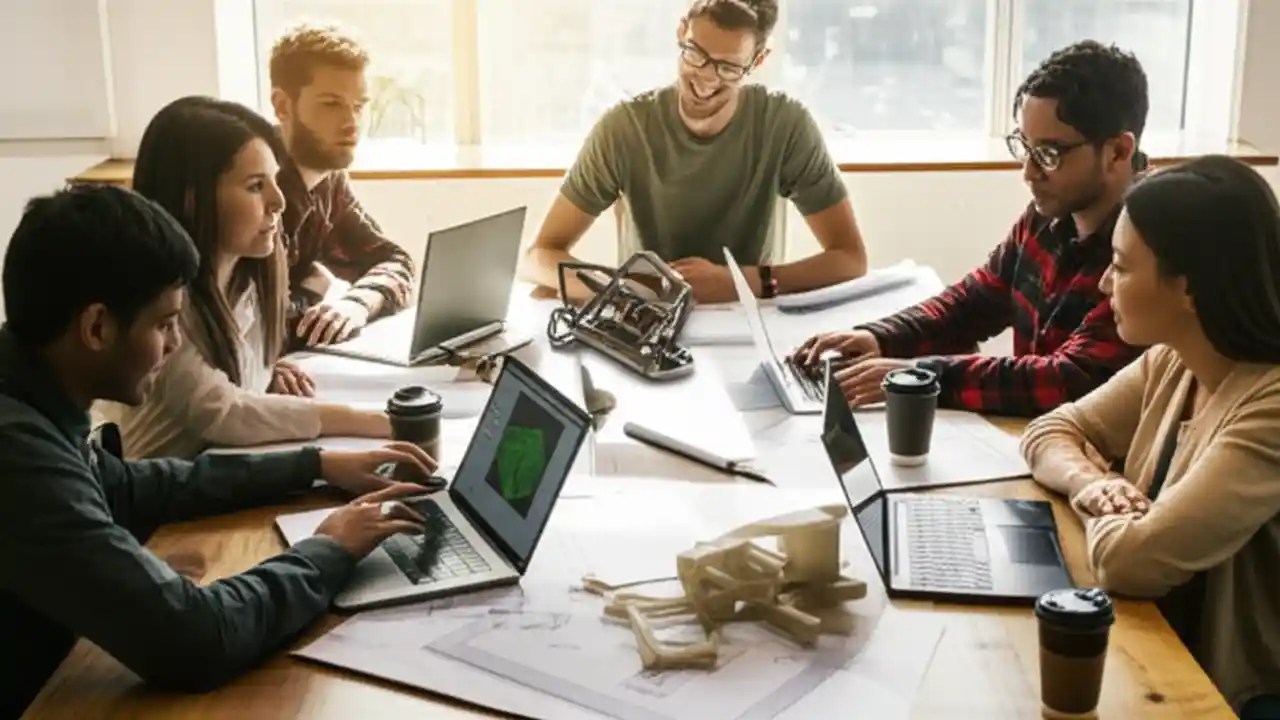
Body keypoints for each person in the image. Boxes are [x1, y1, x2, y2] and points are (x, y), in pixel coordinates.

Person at [0, 185, 438, 718]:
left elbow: (132, 487)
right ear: (97, 328)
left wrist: (317, 465)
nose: (174, 345)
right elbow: (197, 637)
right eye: (165, 325)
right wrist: (329, 550)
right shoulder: (17, 457)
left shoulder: (32, 397)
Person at [1021, 155, 1280, 718]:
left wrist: (1103, 511)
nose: (1103, 282)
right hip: (1160, 644)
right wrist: (1093, 484)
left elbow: (1129, 562)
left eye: (1120, 266)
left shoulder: (1271, 408)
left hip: (1239, 696)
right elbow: (1051, 431)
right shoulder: (1175, 359)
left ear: (1189, 287)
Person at [794, 40, 1147, 417]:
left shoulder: (1149, 244)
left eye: (1049, 155)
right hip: (1036, 436)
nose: (1028, 173)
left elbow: (1068, 380)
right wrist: (878, 337)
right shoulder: (1047, 215)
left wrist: (920, 376)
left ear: (1117, 152)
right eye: (1024, 147)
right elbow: (973, 302)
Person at [524, 0, 868, 305]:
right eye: (695, 53)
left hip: (748, 326)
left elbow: (850, 259)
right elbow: (539, 256)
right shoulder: (624, 128)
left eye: (728, 67)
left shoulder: (785, 125)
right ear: (681, 32)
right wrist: (628, 288)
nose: (705, 78)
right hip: (645, 323)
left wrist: (738, 283)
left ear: (758, 60)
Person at [110, 96, 391, 460]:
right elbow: (227, 413)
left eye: (275, 181)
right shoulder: (160, 303)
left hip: (223, 474)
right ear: (193, 197)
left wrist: (265, 371)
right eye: (256, 186)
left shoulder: (250, 278)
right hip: (160, 491)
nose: (279, 202)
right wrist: (375, 421)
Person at [269, 23, 415, 347]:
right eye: (331, 104)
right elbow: (257, 323)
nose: (351, 123)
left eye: (358, 106)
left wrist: (356, 302)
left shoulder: (329, 180)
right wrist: (317, 289)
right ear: (282, 106)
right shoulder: (257, 186)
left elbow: (394, 260)